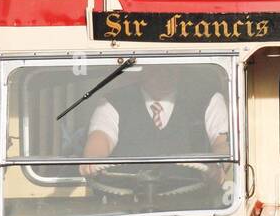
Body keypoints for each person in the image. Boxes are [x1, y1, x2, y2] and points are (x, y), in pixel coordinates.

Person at [79, 63, 229, 178]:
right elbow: (101, 137)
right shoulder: (113, 102)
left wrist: (219, 165)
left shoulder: (208, 99)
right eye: (155, 66)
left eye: (169, 65)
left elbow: (222, 142)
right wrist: (93, 161)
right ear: (142, 68)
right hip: (126, 202)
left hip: (196, 203)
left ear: (179, 68)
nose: (162, 71)